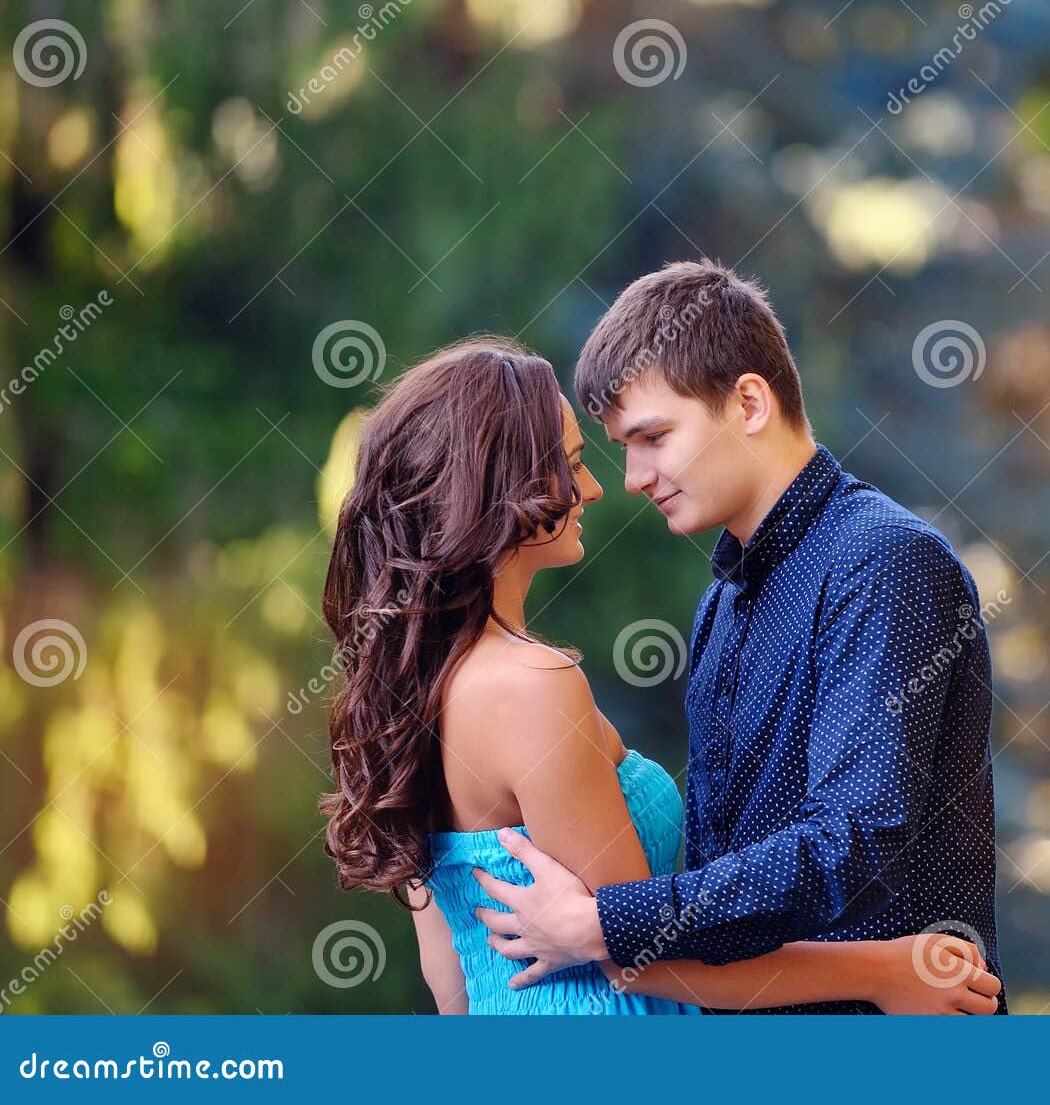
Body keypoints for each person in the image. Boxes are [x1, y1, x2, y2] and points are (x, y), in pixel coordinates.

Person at [319, 334, 1000, 1014]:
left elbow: (453, 983)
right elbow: (640, 954)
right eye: (570, 463)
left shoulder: (418, 690)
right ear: (496, 486)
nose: (594, 486)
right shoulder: (530, 685)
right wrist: (883, 971)